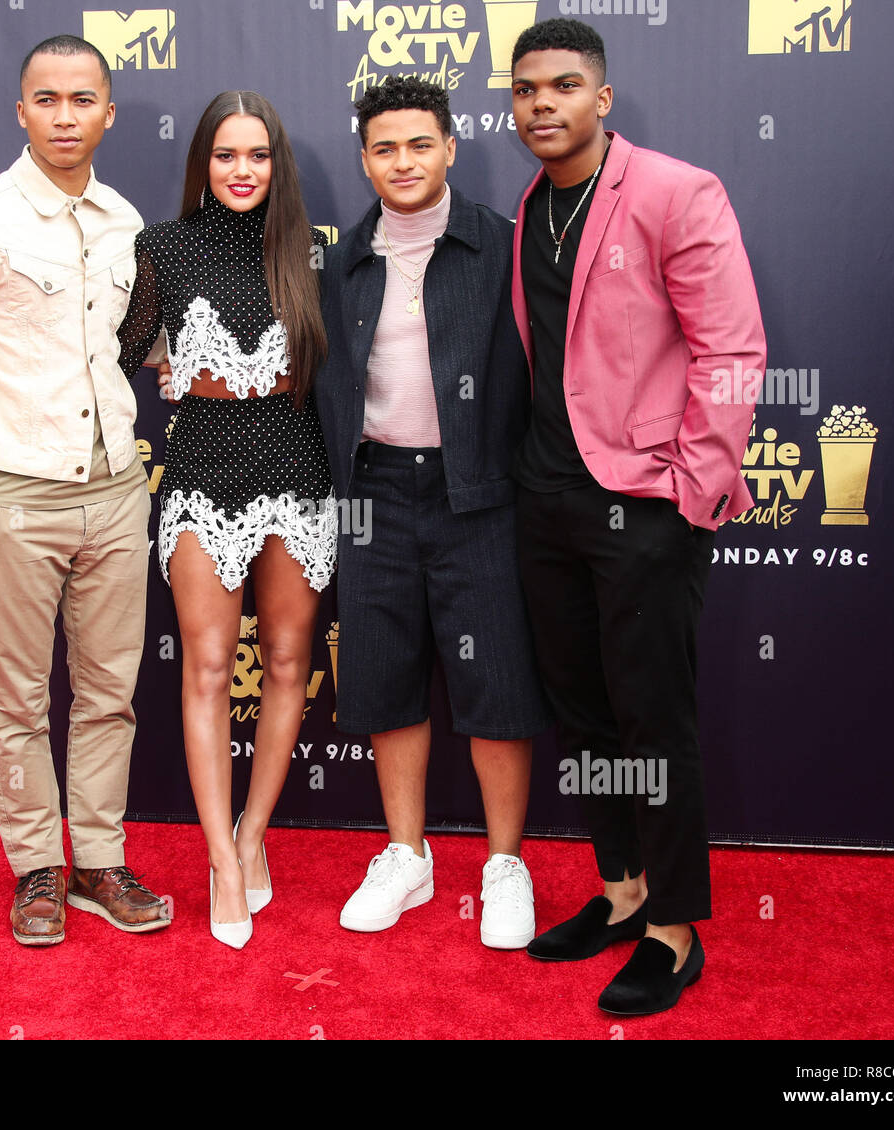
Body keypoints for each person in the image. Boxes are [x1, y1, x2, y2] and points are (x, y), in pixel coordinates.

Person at [508, 18, 765, 1013]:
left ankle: (673, 924)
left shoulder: (674, 191)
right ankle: (619, 891)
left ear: (600, 98)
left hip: (647, 501)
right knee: (582, 709)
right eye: (527, 88)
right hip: (547, 500)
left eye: (563, 85)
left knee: (650, 715)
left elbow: (733, 348)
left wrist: (692, 490)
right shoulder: (531, 204)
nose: (543, 103)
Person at [0, 35, 169, 946]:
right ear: (21, 110)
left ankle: (98, 858)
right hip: (16, 496)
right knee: (17, 700)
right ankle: (36, 871)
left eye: (82, 99)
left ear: (108, 110)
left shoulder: (125, 221)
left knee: (110, 692)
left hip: (116, 488)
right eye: (47, 99)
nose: (66, 115)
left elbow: (132, 351)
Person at [314, 77, 552, 951]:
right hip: (374, 493)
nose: (403, 162)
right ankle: (406, 856)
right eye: (384, 148)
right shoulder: (343, 259)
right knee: (383, 674)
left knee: (496, 683)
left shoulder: (502, 244)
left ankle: (503, 865)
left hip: (479, 495)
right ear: (366, 158)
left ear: (452, 147)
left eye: (420, 144)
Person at [117, 91, 332, 950]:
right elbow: (127, 350)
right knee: (207, 668)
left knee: (287, 661)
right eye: (225, 155)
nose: (242, 170)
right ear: (202, 162)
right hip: (203, 467)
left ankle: (252, 833)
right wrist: (174, 363)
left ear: (277, 163)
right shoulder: (160, 249)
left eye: (258, 155)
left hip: (297, 464)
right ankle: (218, 858)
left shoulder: (312, 253)